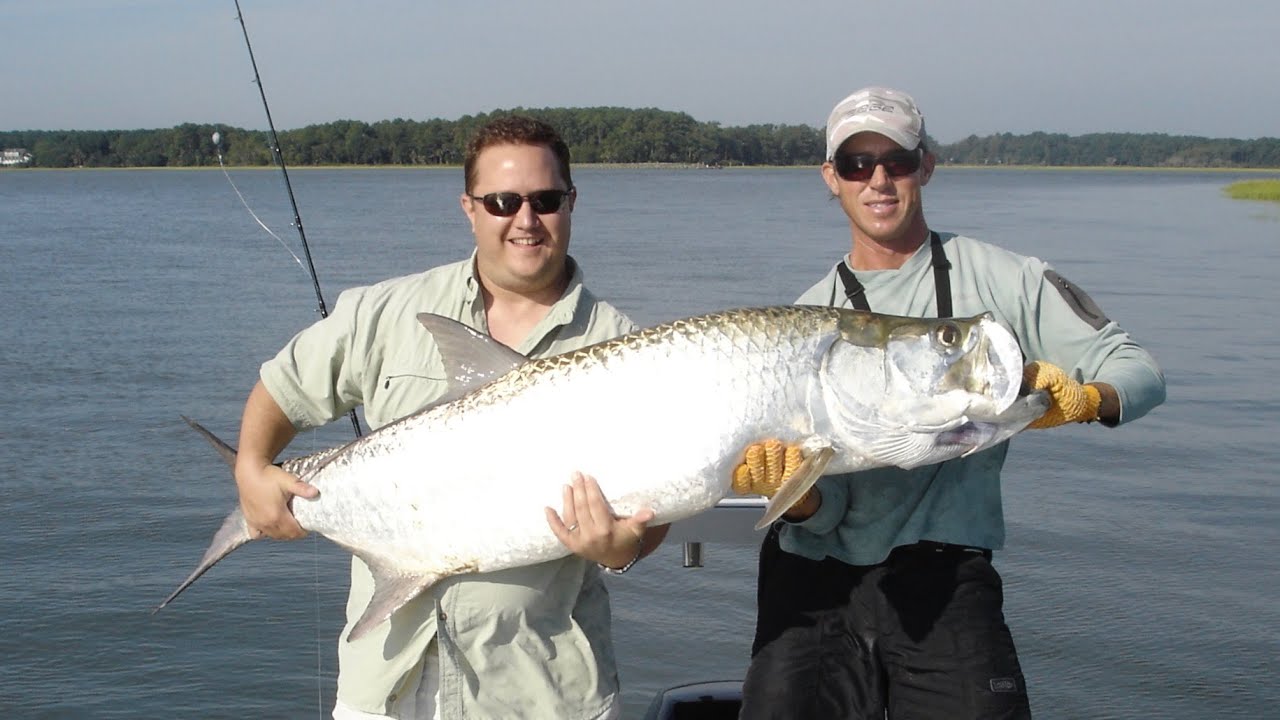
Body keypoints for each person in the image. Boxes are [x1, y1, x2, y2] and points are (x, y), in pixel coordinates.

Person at [734, 87, 1166, 719]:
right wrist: (795, 496)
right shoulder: (806, 320)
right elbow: (823, 513)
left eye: (897, 161)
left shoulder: (1004, 281)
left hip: (946, 576)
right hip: (812, 584)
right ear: (832, 178)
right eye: (856, 165)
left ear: (926, 166)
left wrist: (1086, 399)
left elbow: (1140, 369)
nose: (878, 180)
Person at [231, 115, 668, 720]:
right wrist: (252, 471)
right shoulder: (385, 312)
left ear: (572, 203)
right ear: (469, 207)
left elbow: (653, 503)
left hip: (539, 693)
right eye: (502, 201)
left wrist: (622, 548)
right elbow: (282, 387)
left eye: (545, 200)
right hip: (384, 687)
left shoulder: (628, 350)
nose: (525, 219)